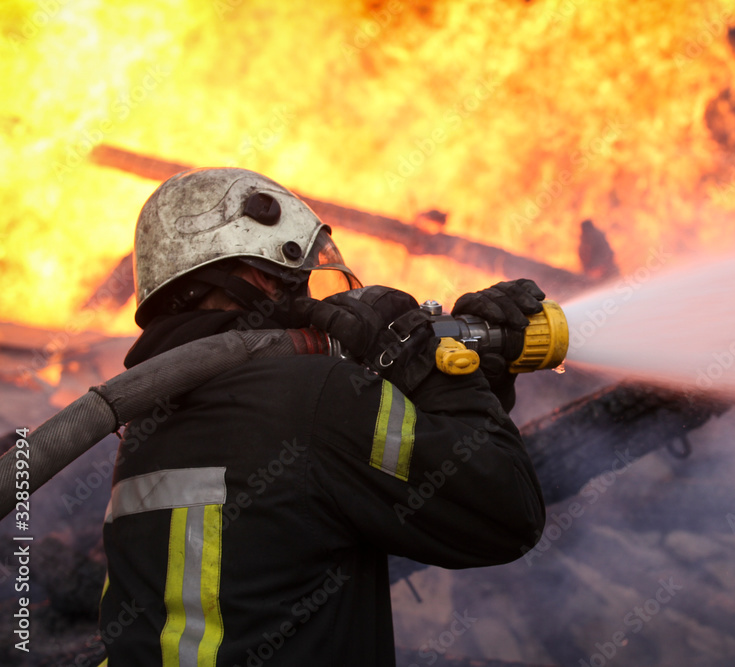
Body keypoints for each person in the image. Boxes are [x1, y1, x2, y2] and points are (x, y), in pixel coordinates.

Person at [99, 167, 546, 665]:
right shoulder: (315, 399)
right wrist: (431, 365)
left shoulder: (143, 426)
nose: (305, 299)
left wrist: (473, 380)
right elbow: (506, 508)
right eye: (291, 280)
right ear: (260, 277)